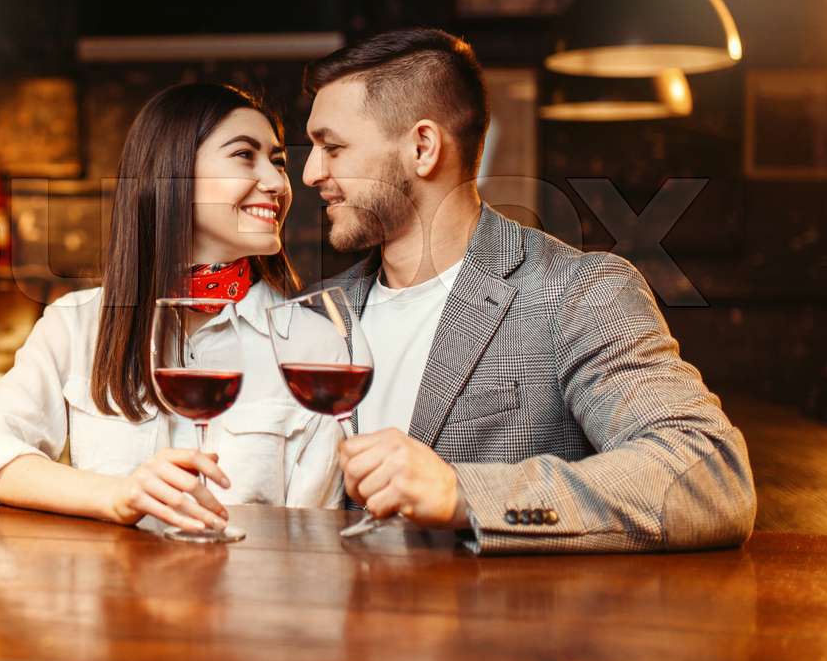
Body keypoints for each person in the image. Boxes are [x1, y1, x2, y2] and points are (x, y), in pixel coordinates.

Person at [301, 27, 756, 554]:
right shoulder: (318, 312)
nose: (311, 172)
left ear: (422, 148)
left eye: (331, 147)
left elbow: (708, 475)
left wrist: (464, 494)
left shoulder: (577, 292)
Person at [0, 83, 342, 532]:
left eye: (278, 162)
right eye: (245, 155)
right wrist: (115, 496)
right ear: (172, 173)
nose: (277, 183)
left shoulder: (313, 345)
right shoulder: (76, 324)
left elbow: (314, 537)